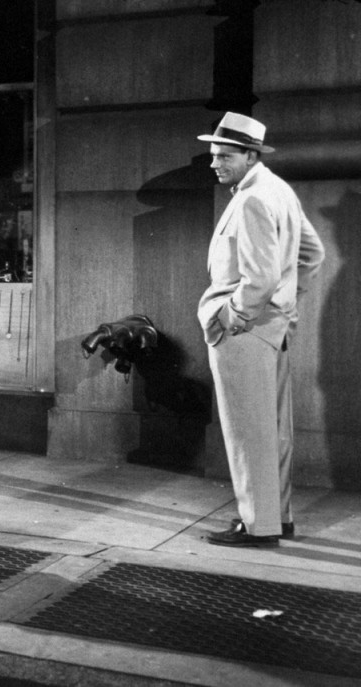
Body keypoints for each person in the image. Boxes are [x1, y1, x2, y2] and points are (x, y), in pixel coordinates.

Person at [196, 113, 325, 547]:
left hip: (246, 332)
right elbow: (313, 253)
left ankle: (258, 525)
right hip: (274, 329)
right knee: (273, 431)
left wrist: (235, 314)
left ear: (251, 155)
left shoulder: (252, 198)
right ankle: (277, 517)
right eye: (214, 155)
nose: (216, 163)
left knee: (248, 432)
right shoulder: (278, 190)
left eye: (226, 156)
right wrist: (285, 304)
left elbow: (261, 276)